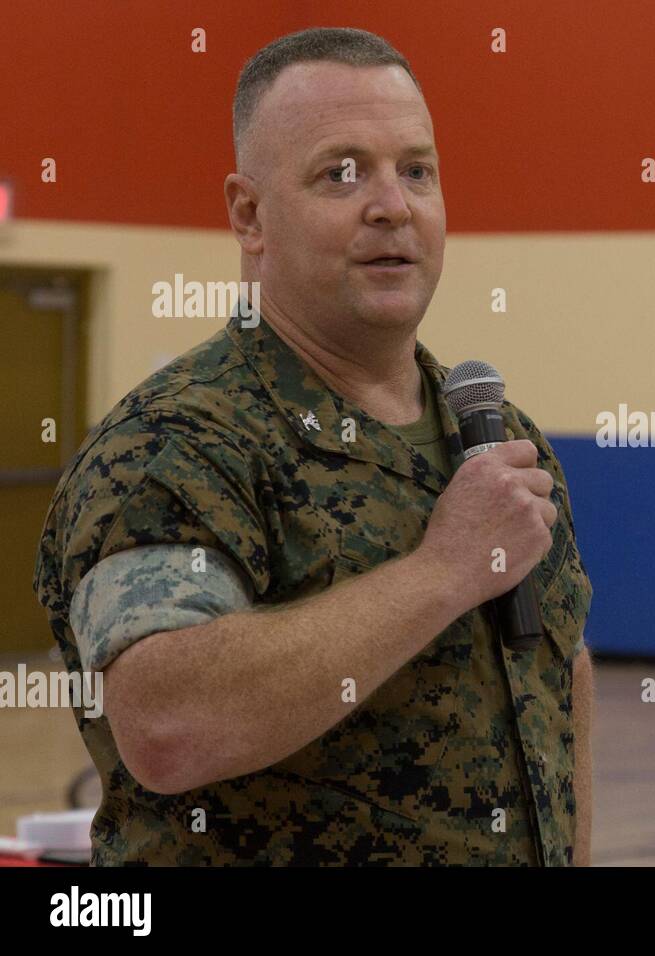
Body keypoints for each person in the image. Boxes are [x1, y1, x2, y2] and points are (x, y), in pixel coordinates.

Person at [32, 27, 595, 865]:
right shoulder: (175, 444)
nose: (391, 205)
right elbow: (168, 725)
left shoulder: (498, 439)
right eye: (342, 172)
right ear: (249, 216)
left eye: (416, 170)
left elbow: (564, 681)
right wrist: (443, 571)